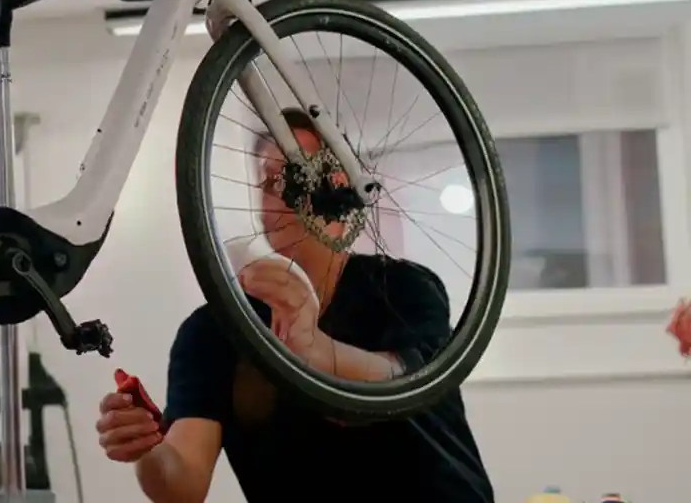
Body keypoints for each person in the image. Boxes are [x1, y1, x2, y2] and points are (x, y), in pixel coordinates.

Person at [95, 107, 494, 502]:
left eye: (304, 177)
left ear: (343, 190)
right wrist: (146, 449)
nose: (287, 196)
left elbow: (405, 381)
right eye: (271, 182)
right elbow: (183, 484)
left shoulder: (403, 287)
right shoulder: (214, 331)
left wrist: (316, 350)